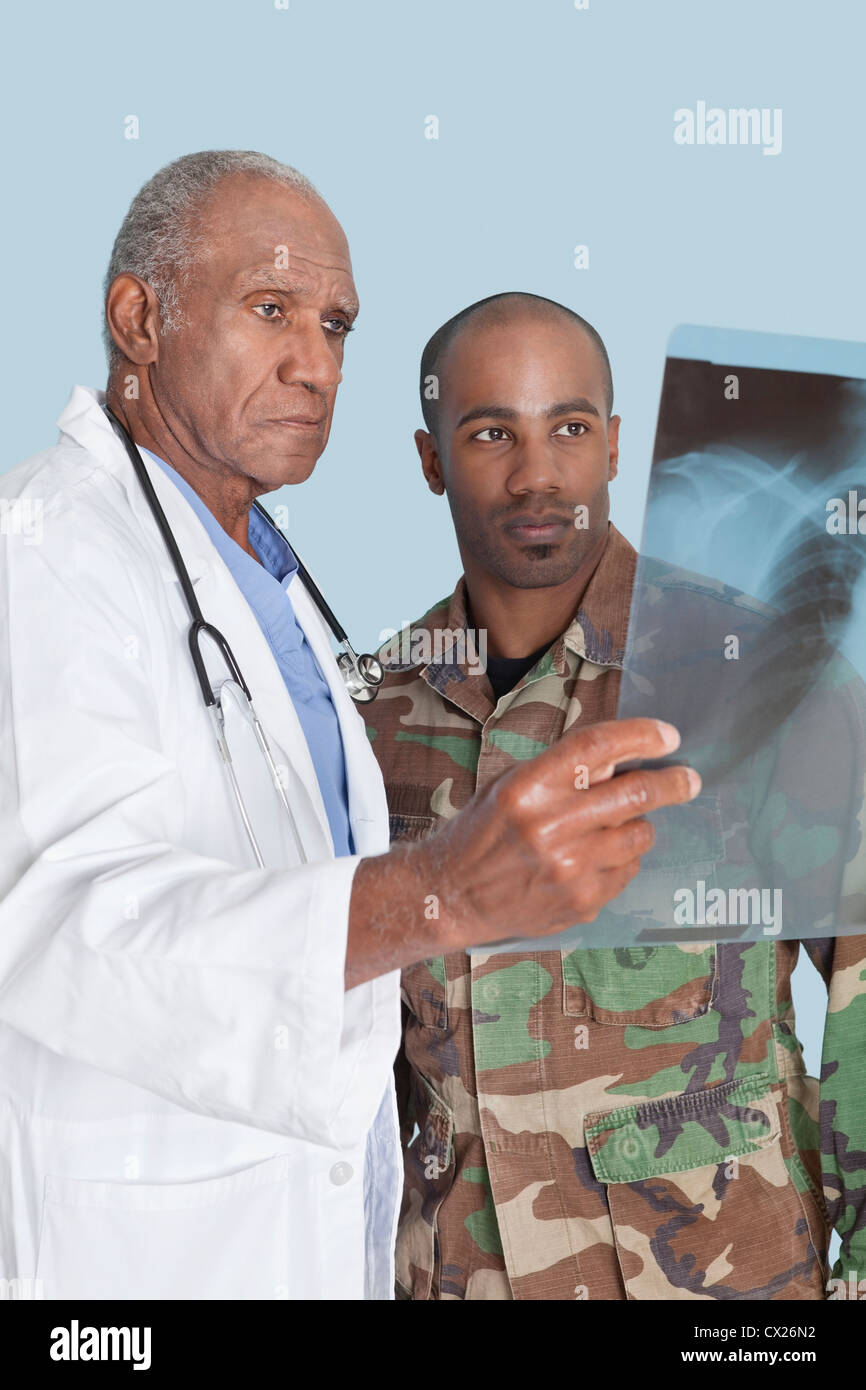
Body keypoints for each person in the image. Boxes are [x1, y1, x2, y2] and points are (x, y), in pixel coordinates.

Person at [0, 156, 698, 1301]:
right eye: (269, 310)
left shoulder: (267, 591)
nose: (314, 364)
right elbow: (58, 924)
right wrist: (440, 894)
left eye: (335, 326)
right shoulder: (43, 550)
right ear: (138, 318)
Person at [363, 291, 866, 1300]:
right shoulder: (373, 711)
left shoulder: (752, 669)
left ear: (611, 447)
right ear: (429, 461)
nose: (536, 472)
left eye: (569, 427)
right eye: (490, 431)